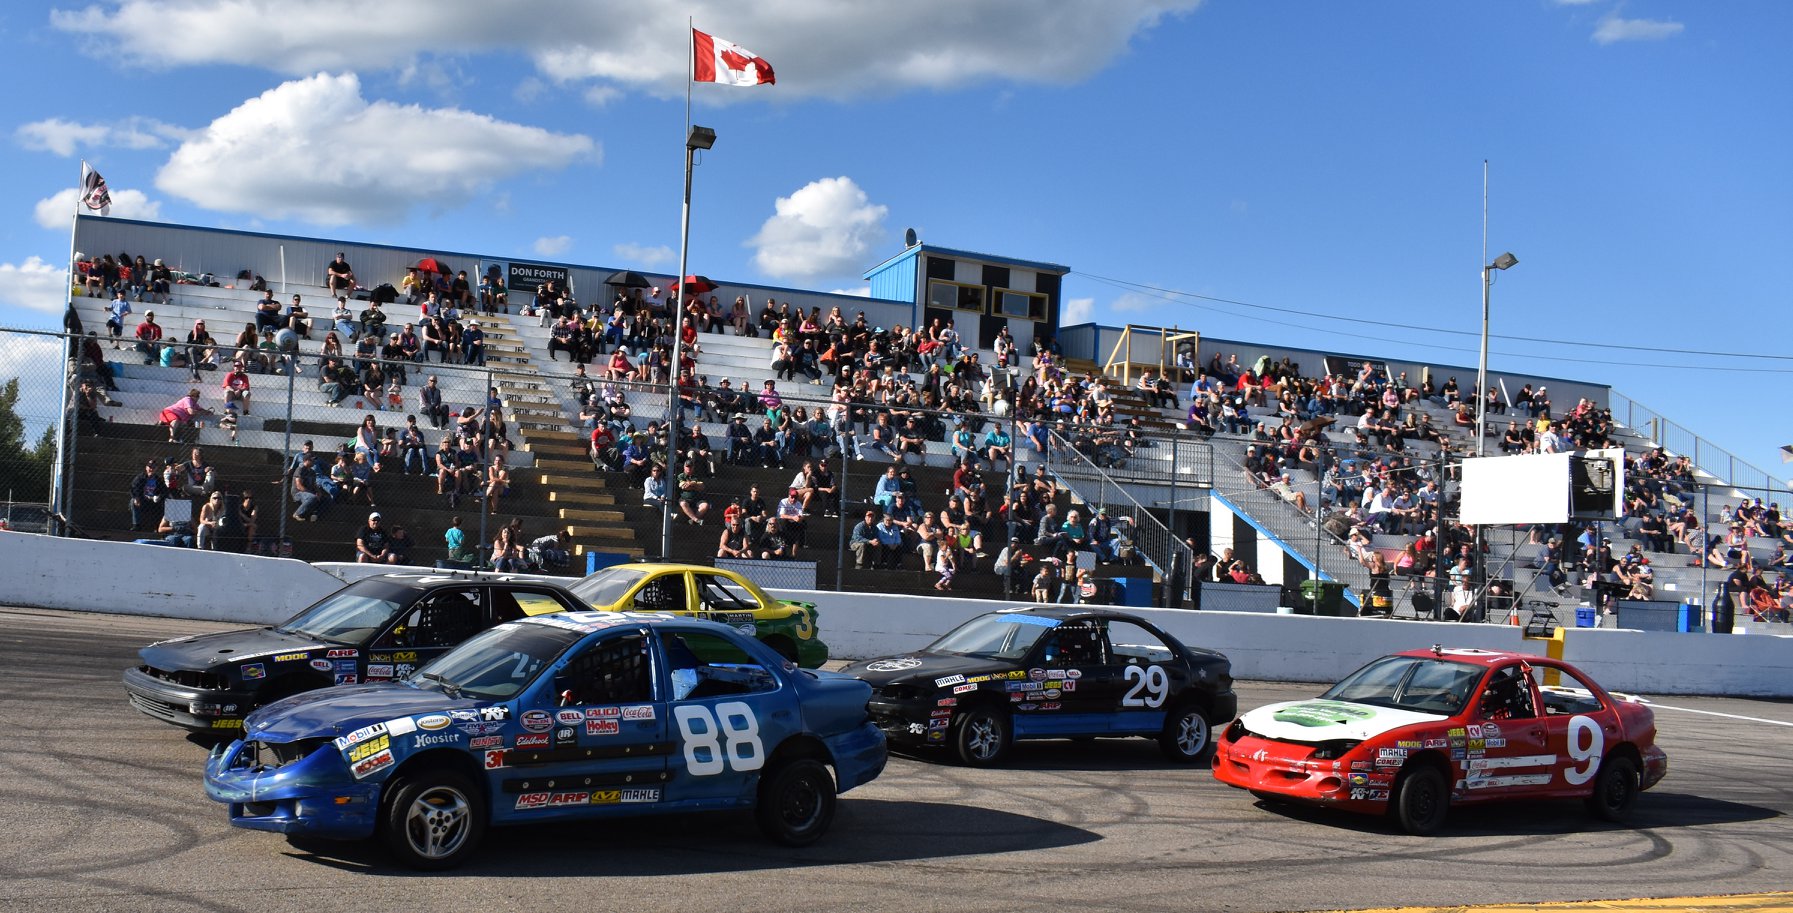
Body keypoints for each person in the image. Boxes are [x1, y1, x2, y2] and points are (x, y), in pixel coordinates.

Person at [676, 461, 710, 525]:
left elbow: (702, 487)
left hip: (697, 499)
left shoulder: (696, 476)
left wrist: (691, 483)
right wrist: (695, 485)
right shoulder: (681, 476)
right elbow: (683, 486)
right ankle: (696, 520)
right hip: (684, 499)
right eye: (687, 466)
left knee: (705, 505)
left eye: (690, 466)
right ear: (684, 467)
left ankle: (692, 520)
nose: (689, 468)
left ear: (693, 467)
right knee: (683, 504)